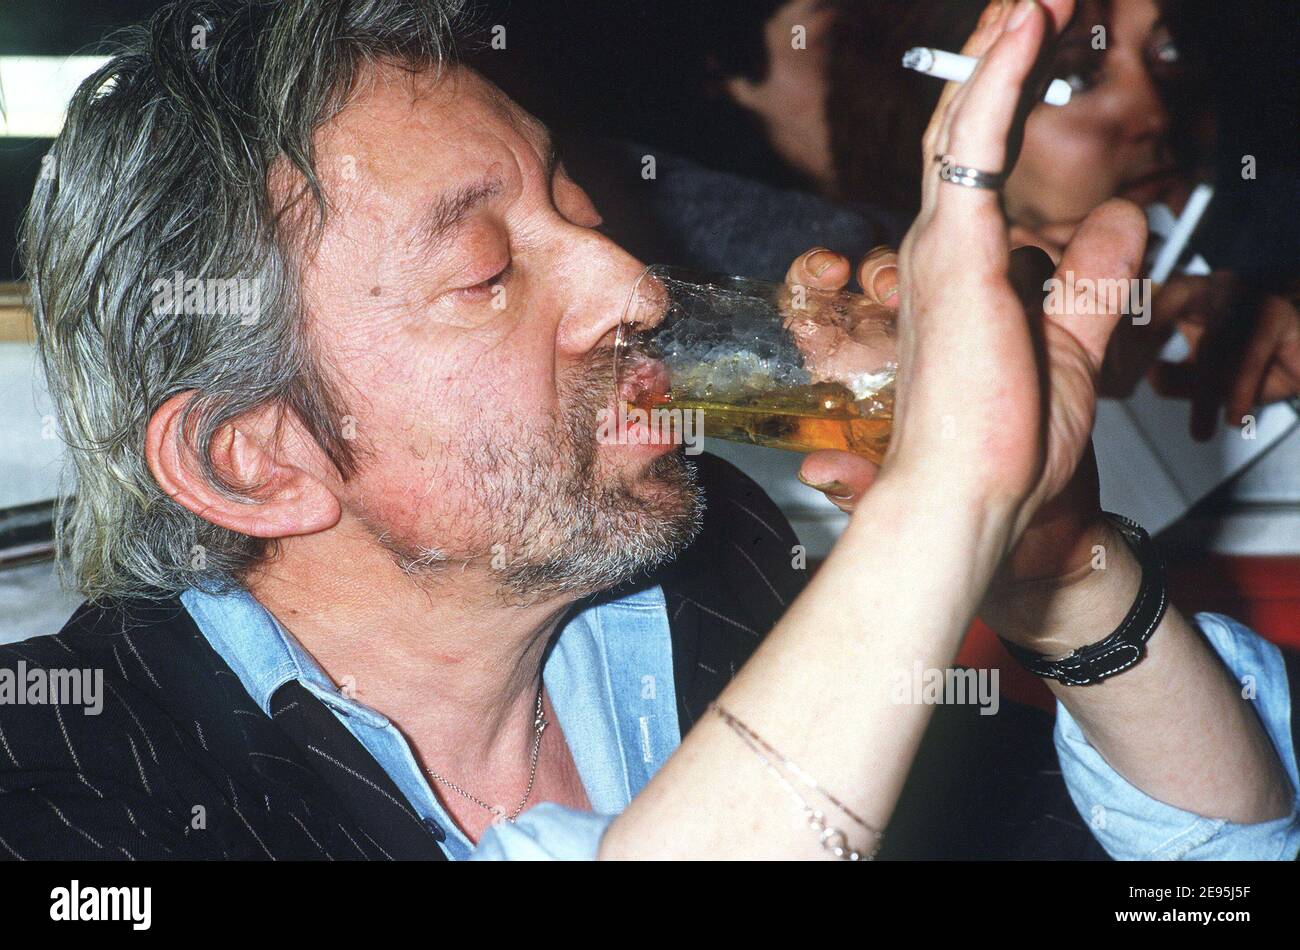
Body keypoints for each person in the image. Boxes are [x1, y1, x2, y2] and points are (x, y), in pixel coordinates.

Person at [2, 0, 1296, 860]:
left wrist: (1057, 567)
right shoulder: (66, 776)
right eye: (487, 270)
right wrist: (937, 504)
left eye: (578, 206)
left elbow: (1216, 859)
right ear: (259, 456)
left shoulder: (706, 566)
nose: (631, 284)